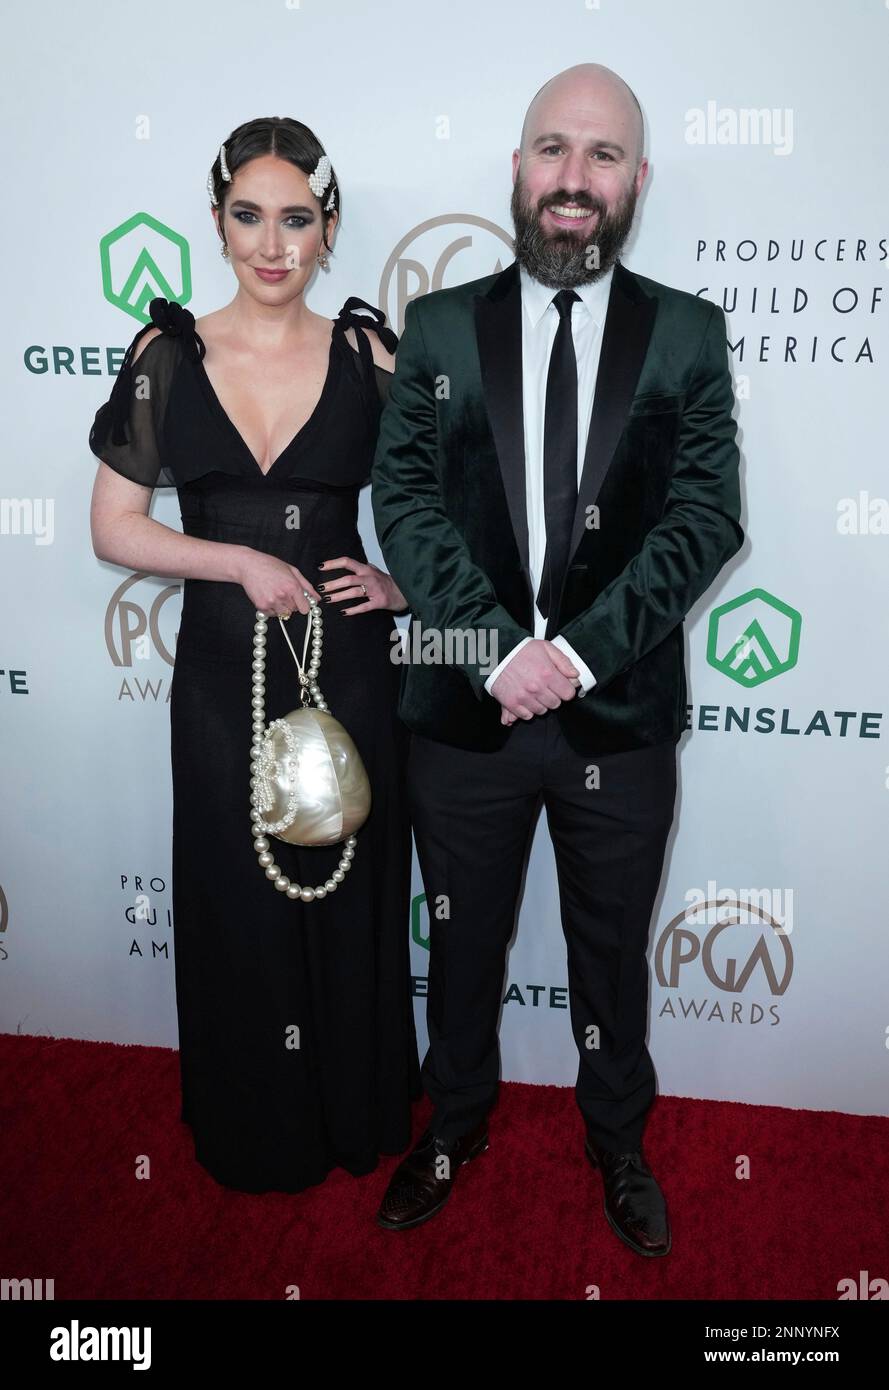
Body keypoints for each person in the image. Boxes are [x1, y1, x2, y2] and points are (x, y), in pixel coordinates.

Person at [371, 64, 744, 1255]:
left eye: (601, 155)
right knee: (461, 936)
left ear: (636, 180)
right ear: (517, 169)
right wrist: (495, 653)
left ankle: (617, 1141)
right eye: (552, 150)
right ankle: (454, 1123)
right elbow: (407, 501)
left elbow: (704, 518)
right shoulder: (436, 329)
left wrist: (572, 658)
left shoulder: (686, 332)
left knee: (608, 948)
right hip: (462, 711)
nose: (572, 180)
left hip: (616, 717)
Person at [88, 117, 421, 1194]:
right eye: (247, 216)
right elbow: (115, 526)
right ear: (218, 217)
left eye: (296, 219)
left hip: (348, 666)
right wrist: (233, 558)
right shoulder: (165, 355)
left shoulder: (372, 353)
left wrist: (402, 582)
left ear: (329, 228)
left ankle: (347, 1108)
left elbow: (460, 510)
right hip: (223, 676)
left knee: (343, 879)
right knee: (238, 892)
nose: (270, 245)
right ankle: (256, 1125)